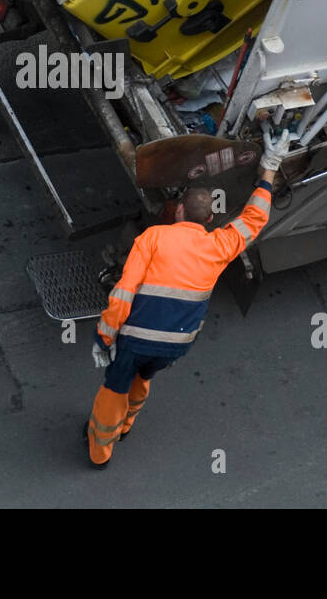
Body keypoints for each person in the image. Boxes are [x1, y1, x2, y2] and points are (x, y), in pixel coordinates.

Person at [83, 129, 291, 467]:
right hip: (177, 345)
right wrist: (269, 168)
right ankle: (126, 426)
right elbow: (255, 220)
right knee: (144, 377)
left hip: (136, 339)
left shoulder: (153, 238)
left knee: (114, 387)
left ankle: (100, 449)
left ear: (179, 211)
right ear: (210, 220)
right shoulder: (219, 246)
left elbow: (123, 293)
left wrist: (103, 337)